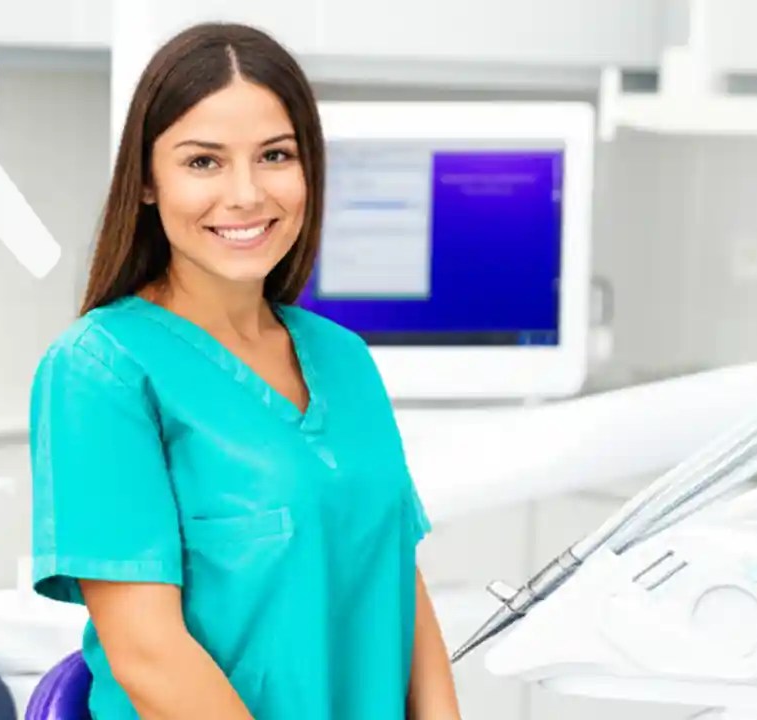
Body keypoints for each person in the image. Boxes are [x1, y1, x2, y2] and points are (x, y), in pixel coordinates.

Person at [28, 21, 462, 720]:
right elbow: (146, 652)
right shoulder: (99, 370)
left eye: (275, 156)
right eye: (203, 162)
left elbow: (397, 582)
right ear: (145, 181)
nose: (246, 194)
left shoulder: (343, 358)